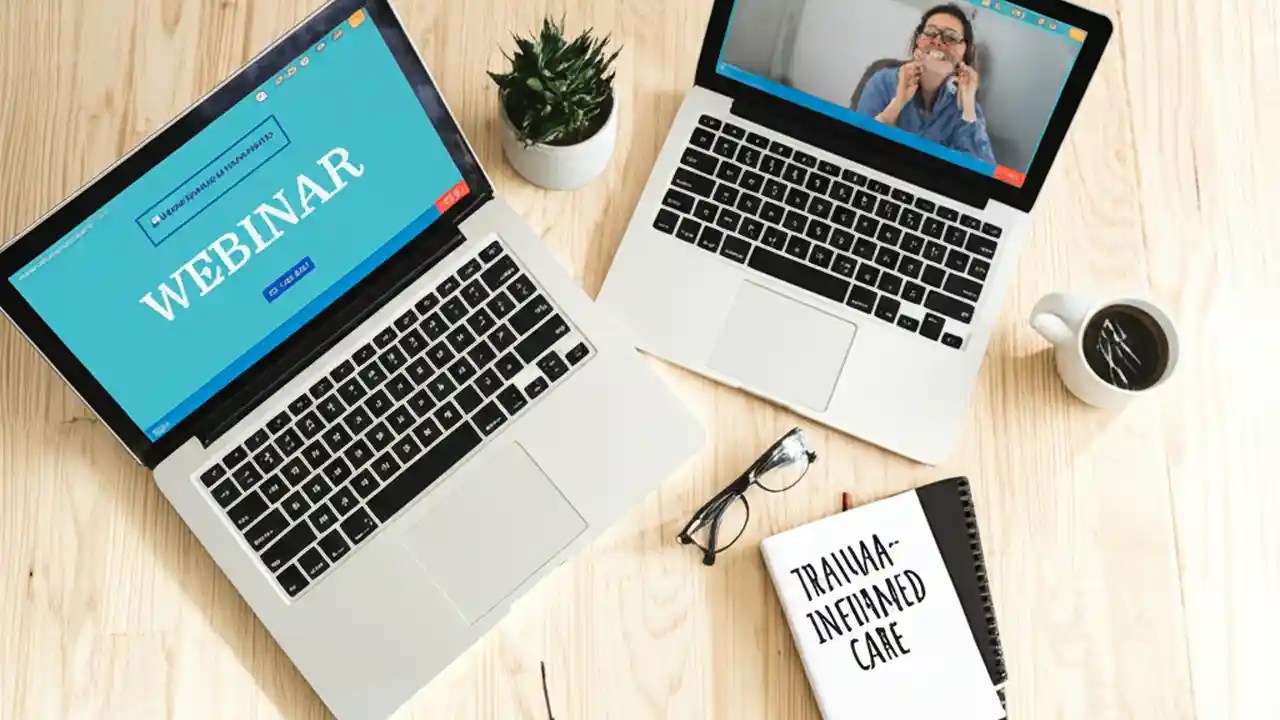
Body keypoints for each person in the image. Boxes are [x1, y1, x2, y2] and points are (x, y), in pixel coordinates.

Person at [855, 3, 995, 164]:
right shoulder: (882, 82)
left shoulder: (967, 106)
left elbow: (982, 174)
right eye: (930, 33)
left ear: (964, 53)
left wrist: (969, 108)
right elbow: (857, 145)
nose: (938, 42)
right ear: (918, 42)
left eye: (951, 37)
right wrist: (897, 103)